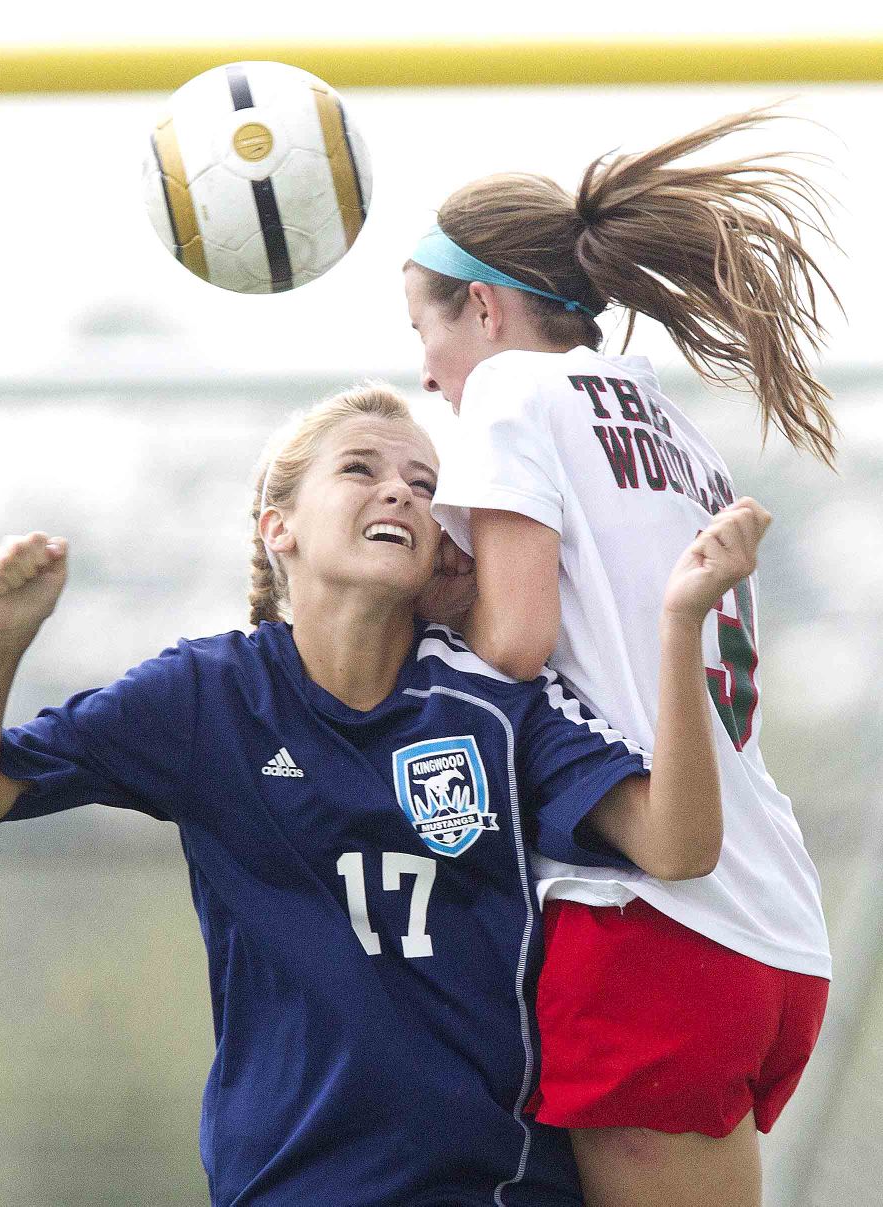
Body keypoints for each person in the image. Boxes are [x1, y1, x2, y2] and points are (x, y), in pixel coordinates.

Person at [0, 384, 768, 1206]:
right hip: (290, 1182)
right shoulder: (204, 698)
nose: (399, 491)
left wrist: (680, 621)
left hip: (493, 1181)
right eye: (361, 469)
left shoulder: (493, 707)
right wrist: (0, 635)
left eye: (424, 485)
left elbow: (678, 843)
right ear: (277, 527)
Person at [403, 108, 834, 1206]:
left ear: (487, 309)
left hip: (654, 914)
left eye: (428, 332)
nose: (427, 374)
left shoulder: (506, 390)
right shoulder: (663, 415)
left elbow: (516, 638)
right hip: (762, 907)